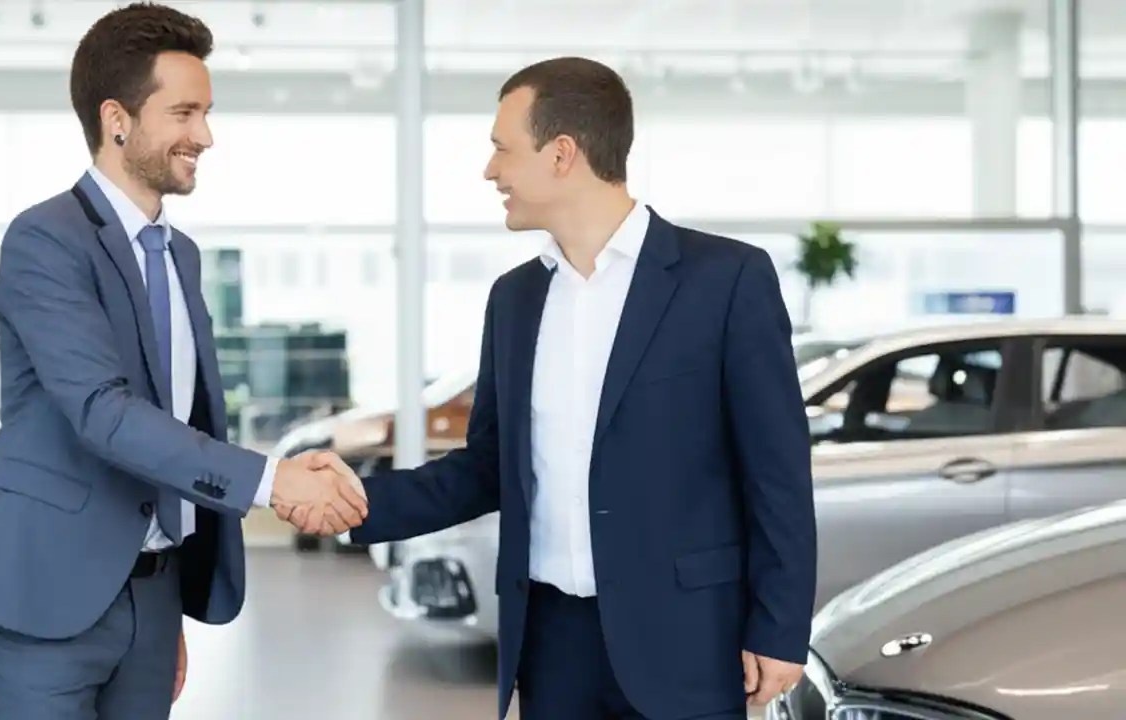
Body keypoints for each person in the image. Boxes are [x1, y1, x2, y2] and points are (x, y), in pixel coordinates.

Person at [298, 57, 817, 719]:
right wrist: (356, 502)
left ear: (562, 153)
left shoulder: (726, 279)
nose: (491, 171)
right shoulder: (515, 299)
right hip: (551, 647)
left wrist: (778, 627)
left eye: (502, 149)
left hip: (686, 640)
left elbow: (776, 472)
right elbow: (488, 467)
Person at [0, 4, 367, 718]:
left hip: (152, 593)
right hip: (47, 591)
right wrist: (273, 480)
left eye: (206, 114)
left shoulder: (181, 255)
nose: (205, 136)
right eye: (184, 113)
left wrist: (161, 608)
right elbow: (104, 413)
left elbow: (182, 420)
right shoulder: (45, 240)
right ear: (117, 118)